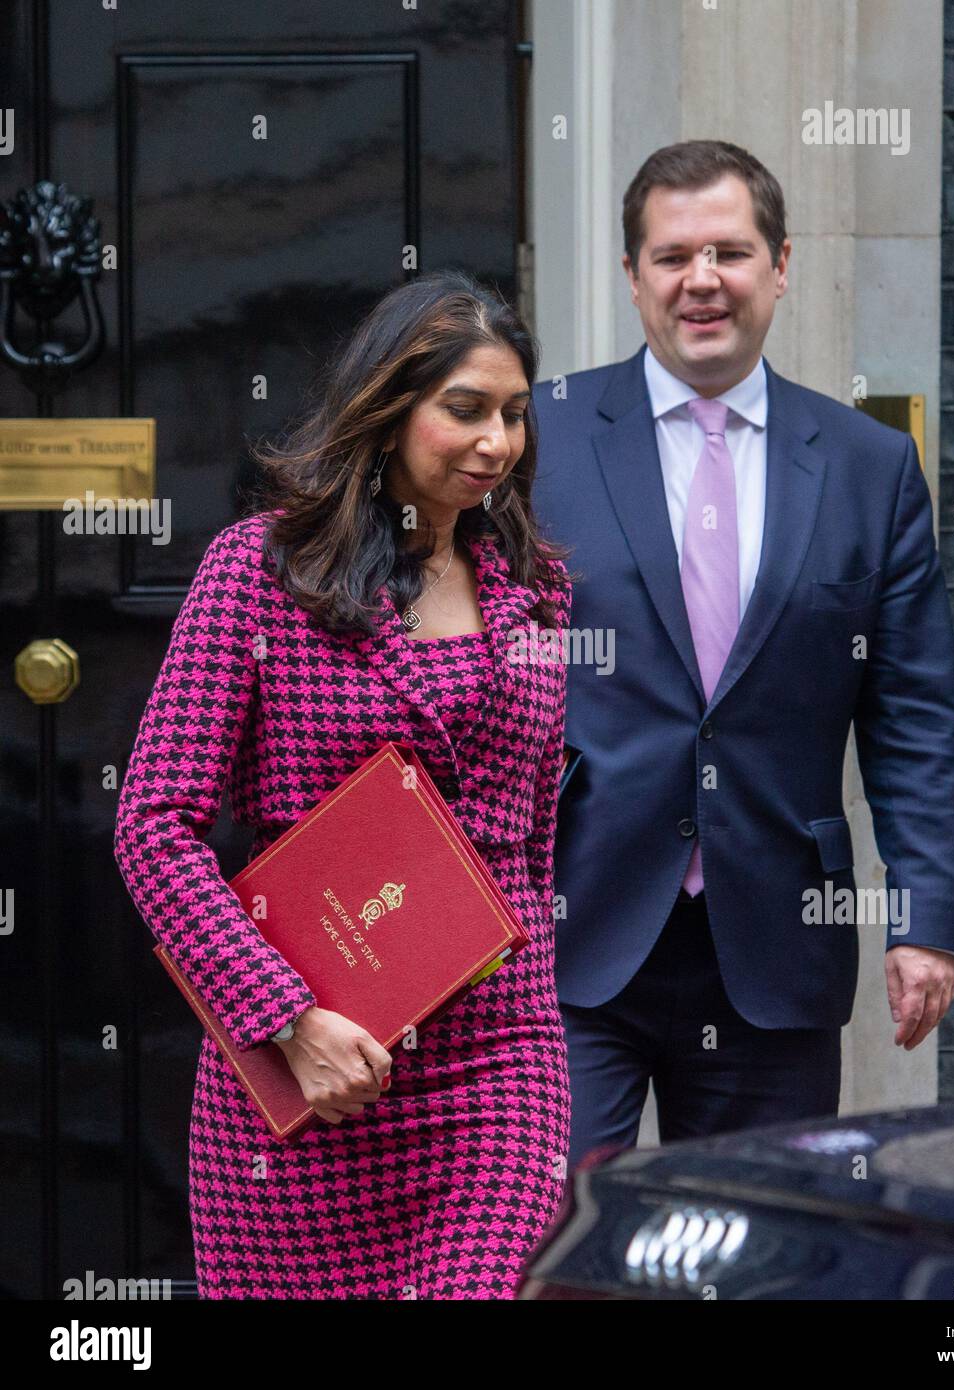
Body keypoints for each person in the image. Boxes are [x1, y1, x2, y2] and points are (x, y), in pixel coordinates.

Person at [114, 269, 572, 1299]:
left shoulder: (540, 596)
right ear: (389, 407)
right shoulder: (256, 574)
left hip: (495, 1074)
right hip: (301, 1069)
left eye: (513, 414)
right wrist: (280, 1017)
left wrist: (538, 1017)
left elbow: (535, 844)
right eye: (465, 410)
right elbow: (154, 827)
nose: (496, 443)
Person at [531, 140, 954, 1169]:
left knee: (756, 1253)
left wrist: (929, 918)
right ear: (633, 275)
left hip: (777, 940)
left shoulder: (869, 466)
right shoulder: (538, 444)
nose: (703, 280)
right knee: (548, 1251)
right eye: (674, 254)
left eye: (730, 251)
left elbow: (915, 717)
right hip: (570, 927)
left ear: (779, 265)